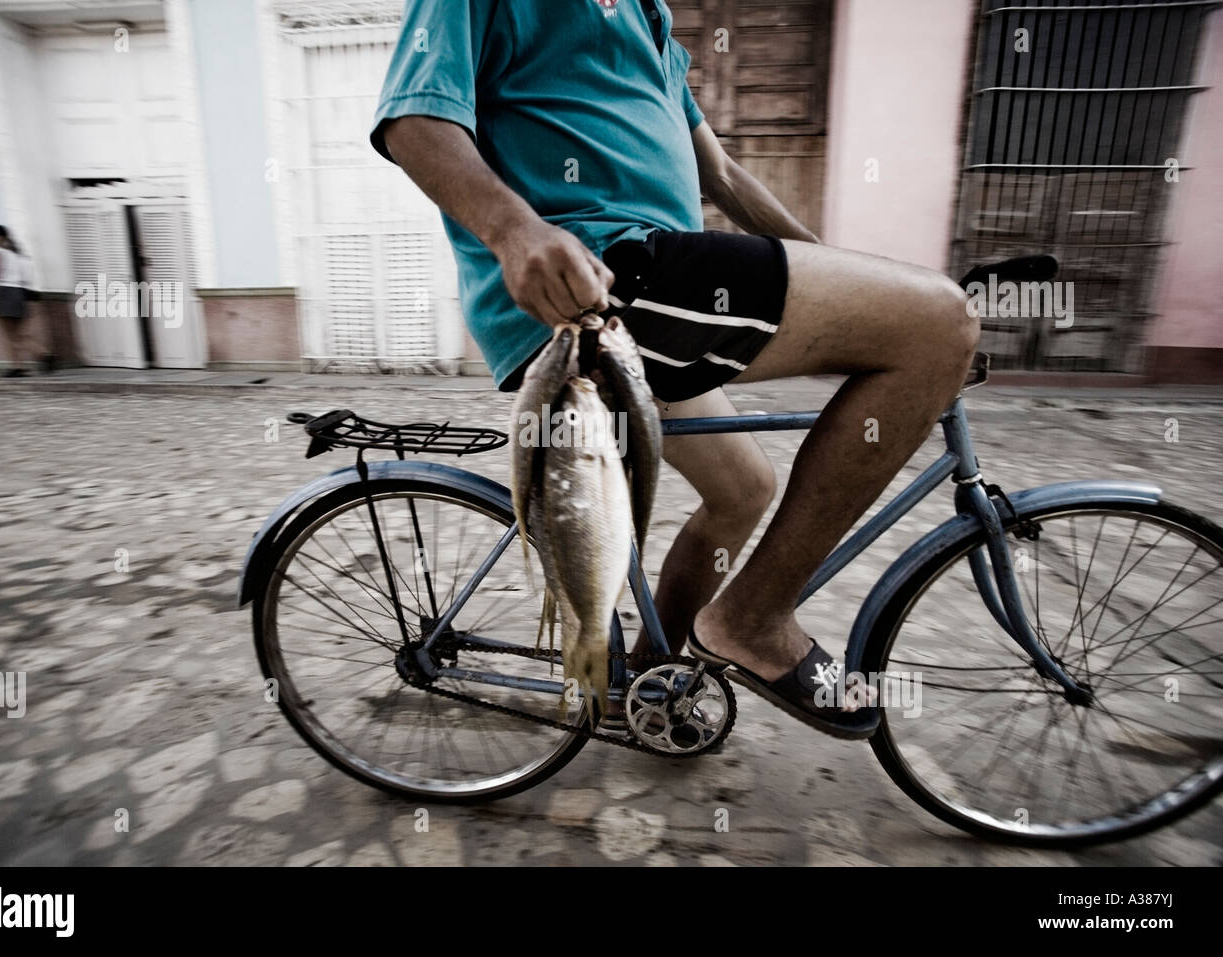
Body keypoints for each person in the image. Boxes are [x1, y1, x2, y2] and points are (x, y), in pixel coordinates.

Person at [370, 0, 979, 737]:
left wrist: (850, 277)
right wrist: (515, 231)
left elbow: (718, 171)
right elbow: (412, 122)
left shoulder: (647, 13)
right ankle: (752, 621)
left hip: (652, 287)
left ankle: (645, 683)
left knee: (744, 489)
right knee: (939, 324)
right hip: (605, 274)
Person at [0, 224, 37, 377]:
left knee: (8, 335)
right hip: (18, 293)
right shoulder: (17, 254)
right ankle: (44, 354)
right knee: (19, 334)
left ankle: (17, 367)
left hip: (4, 293)